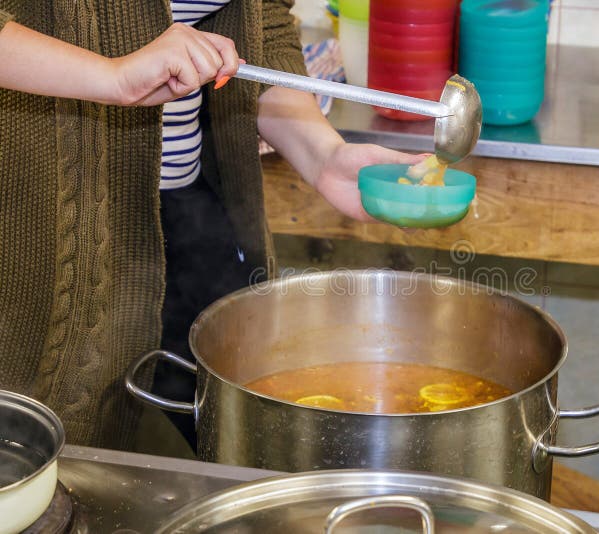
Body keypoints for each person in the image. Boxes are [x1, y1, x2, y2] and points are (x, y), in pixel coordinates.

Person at [0, 1, 421, 450]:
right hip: (42, 229)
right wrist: (112, 76)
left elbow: (264, 27)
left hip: (199, 214)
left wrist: (323, 156)